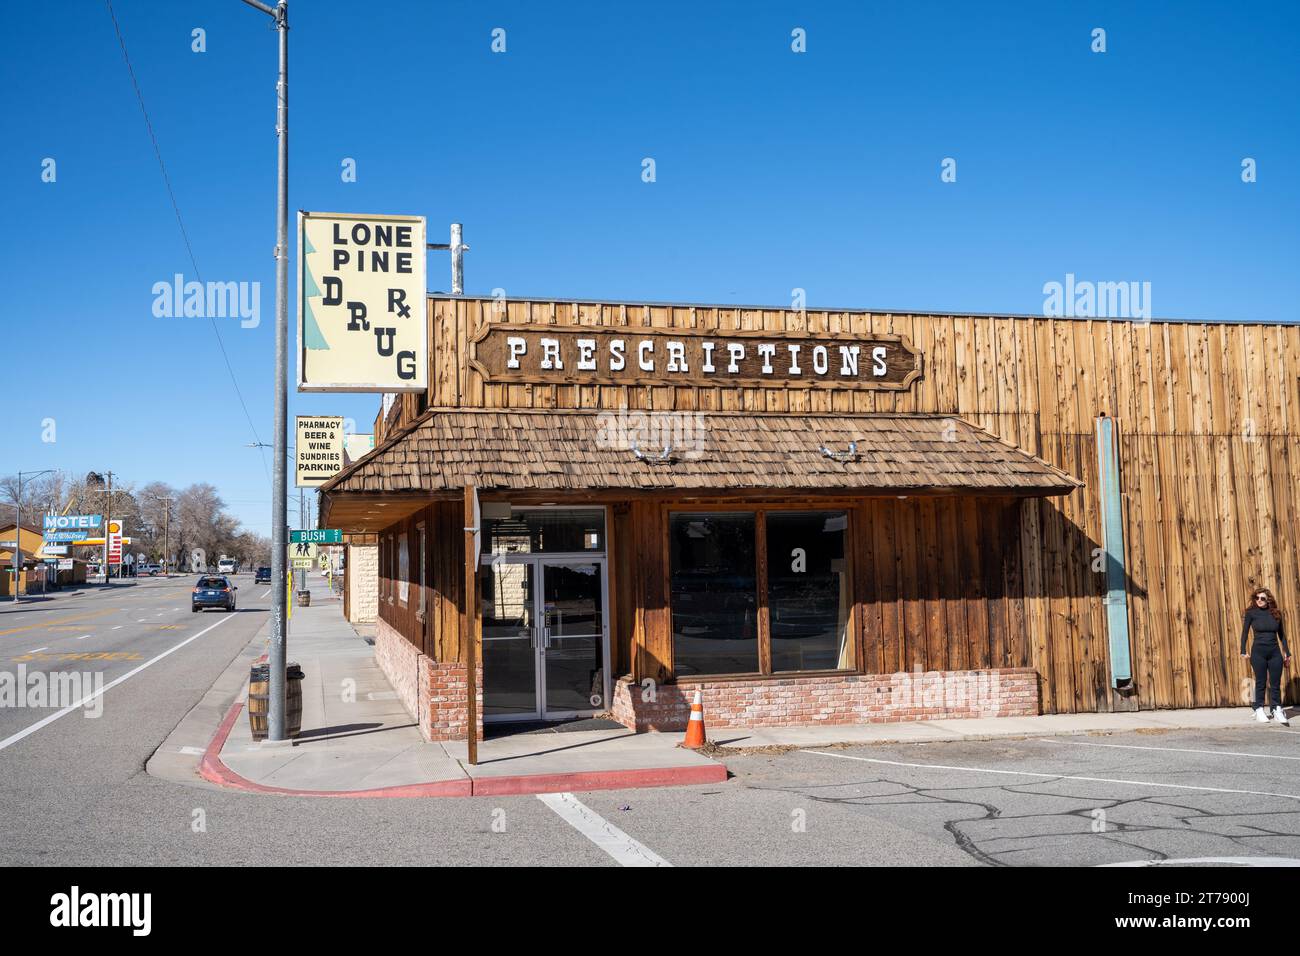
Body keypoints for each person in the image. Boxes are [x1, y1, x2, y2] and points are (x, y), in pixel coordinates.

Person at [1240, 587, 1290, 725]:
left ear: (1268, 600)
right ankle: (1259, 709)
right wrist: (1243, 650)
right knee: (1261, 681)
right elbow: (1244, 633)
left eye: (1262, 598)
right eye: (1257, 598)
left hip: (1275, 652)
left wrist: (1287, 652)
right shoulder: (1251, 613)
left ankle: (1277, 709)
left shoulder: (1276, 614)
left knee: (1275, 683)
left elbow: (1282, 635)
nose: (1259, 601)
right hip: (1258, 652)